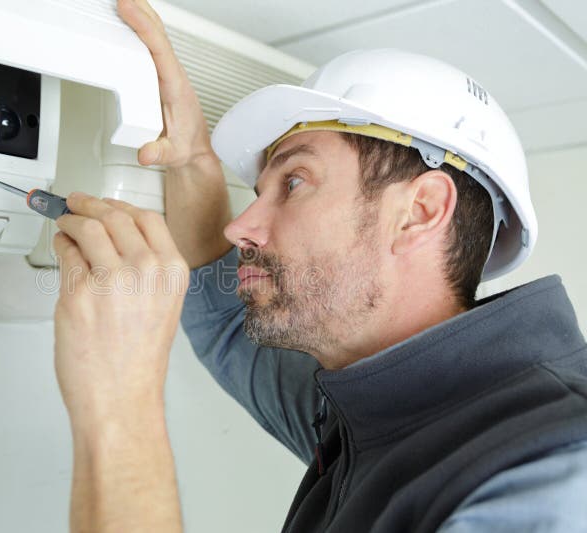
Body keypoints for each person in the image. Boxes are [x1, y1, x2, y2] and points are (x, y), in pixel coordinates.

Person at [51, 0, 587, 531]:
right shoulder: (373, 404)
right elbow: (225, 325)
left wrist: (118, 400)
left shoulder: (556, 470)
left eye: (294, 182)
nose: (238, 228)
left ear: (419, 212)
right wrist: (192, 161)